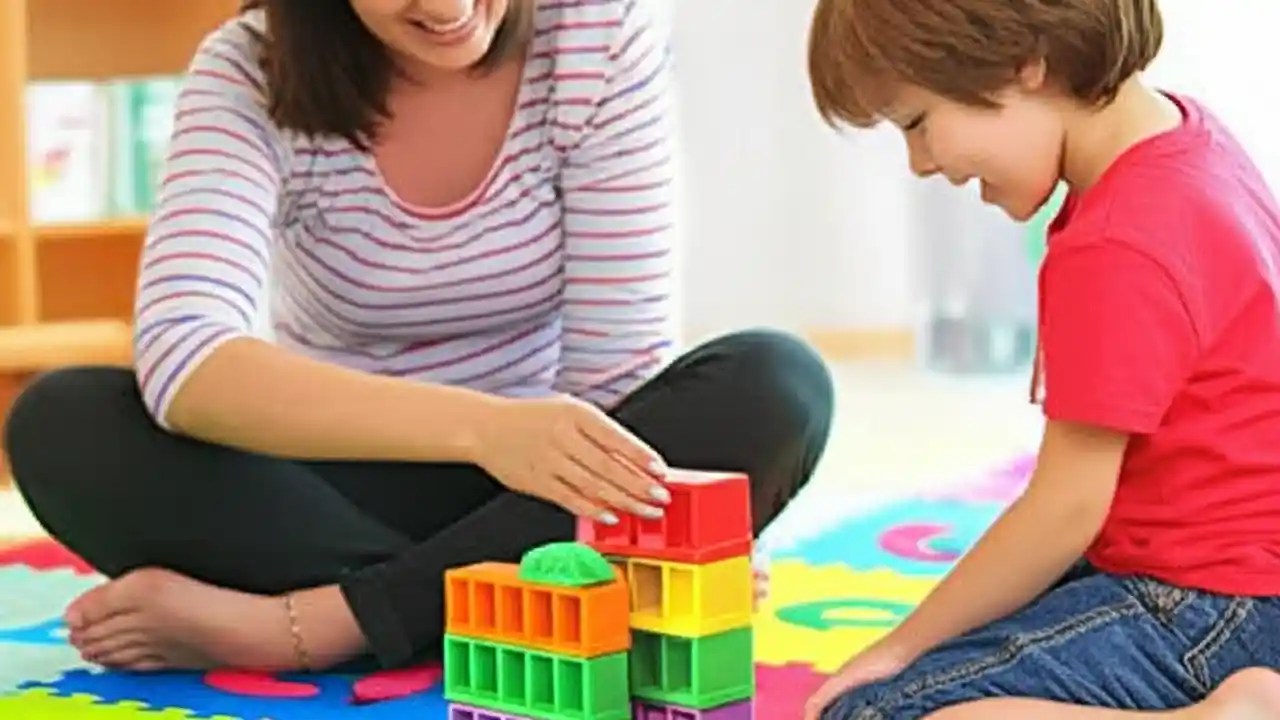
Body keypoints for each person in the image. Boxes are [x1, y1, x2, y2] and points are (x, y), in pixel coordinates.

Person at [2, 0, 834, 673]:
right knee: (64, 422)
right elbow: (186, 359)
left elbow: (616, 381)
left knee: (775, 382)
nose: (445, 6)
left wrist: (649, 527)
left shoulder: (599, 35)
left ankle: (320, 626)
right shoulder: (248, 69)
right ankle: (546, 606)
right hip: (341, 483)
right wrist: (485, 430)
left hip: (538, 490)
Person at [802, 0, 1280, 718]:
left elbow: (1064, 509)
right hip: (1241, 588)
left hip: (1206, 609)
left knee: (871, 711)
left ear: (1024, 64)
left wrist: (897, 647)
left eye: (916, 122)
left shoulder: (1116, 242)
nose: (920, 163)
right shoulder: (1187, 139)